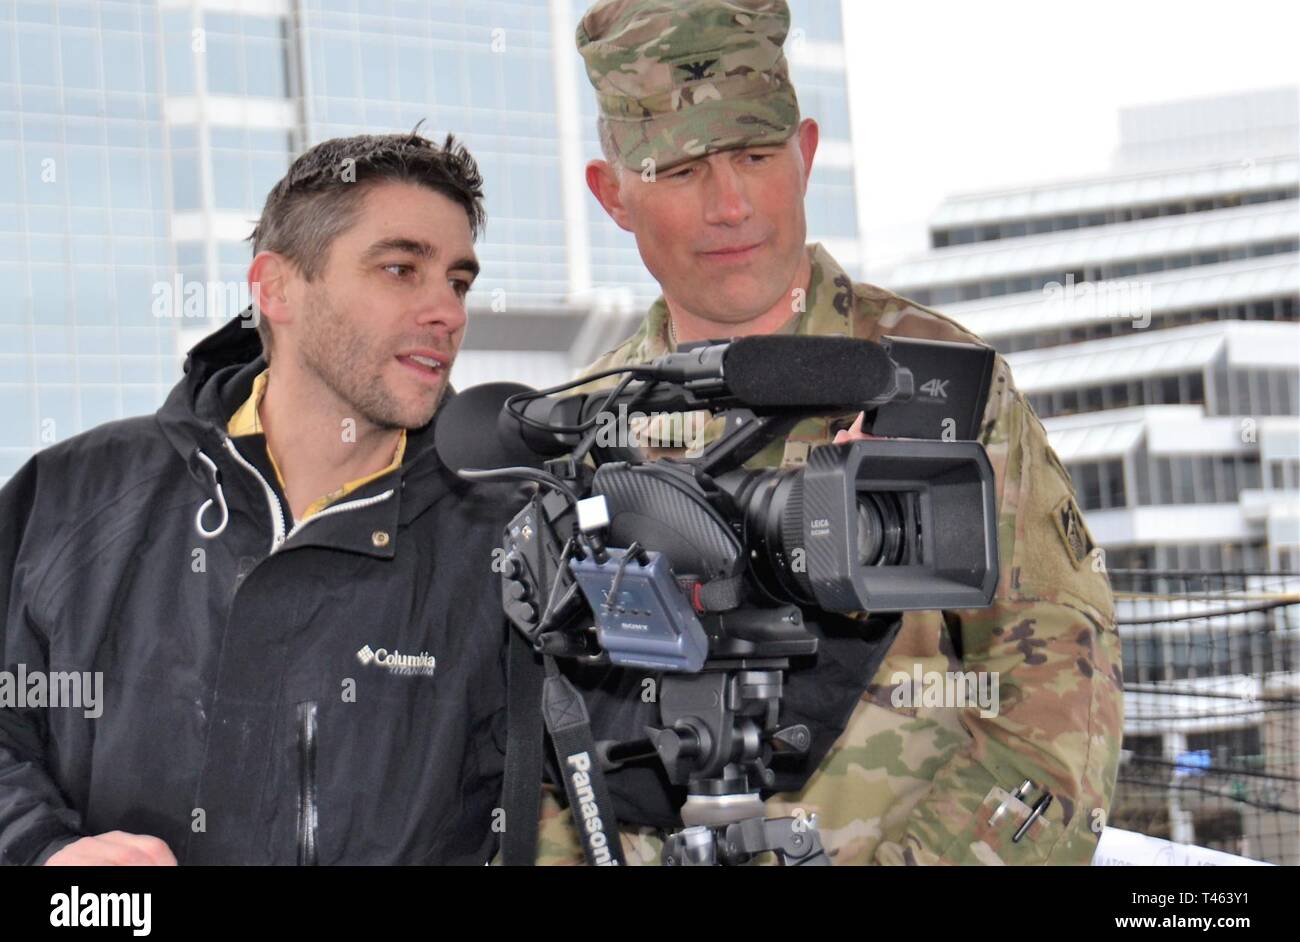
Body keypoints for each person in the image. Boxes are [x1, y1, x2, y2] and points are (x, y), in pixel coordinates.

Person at [535, 0, 1123, 865]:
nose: (730, 205)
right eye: (683, 170)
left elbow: (1059, 702)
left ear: (805, 155)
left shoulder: (937, 387)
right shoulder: (581, 426)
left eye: (756, 157)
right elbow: (541, 732)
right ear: (613, 194)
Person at [0, 131, 514, 865]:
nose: (448, 312)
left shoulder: (510, 539)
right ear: (275, 288)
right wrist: (46, 854)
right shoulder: (73, 493)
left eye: (458, 282)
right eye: (401, 269)